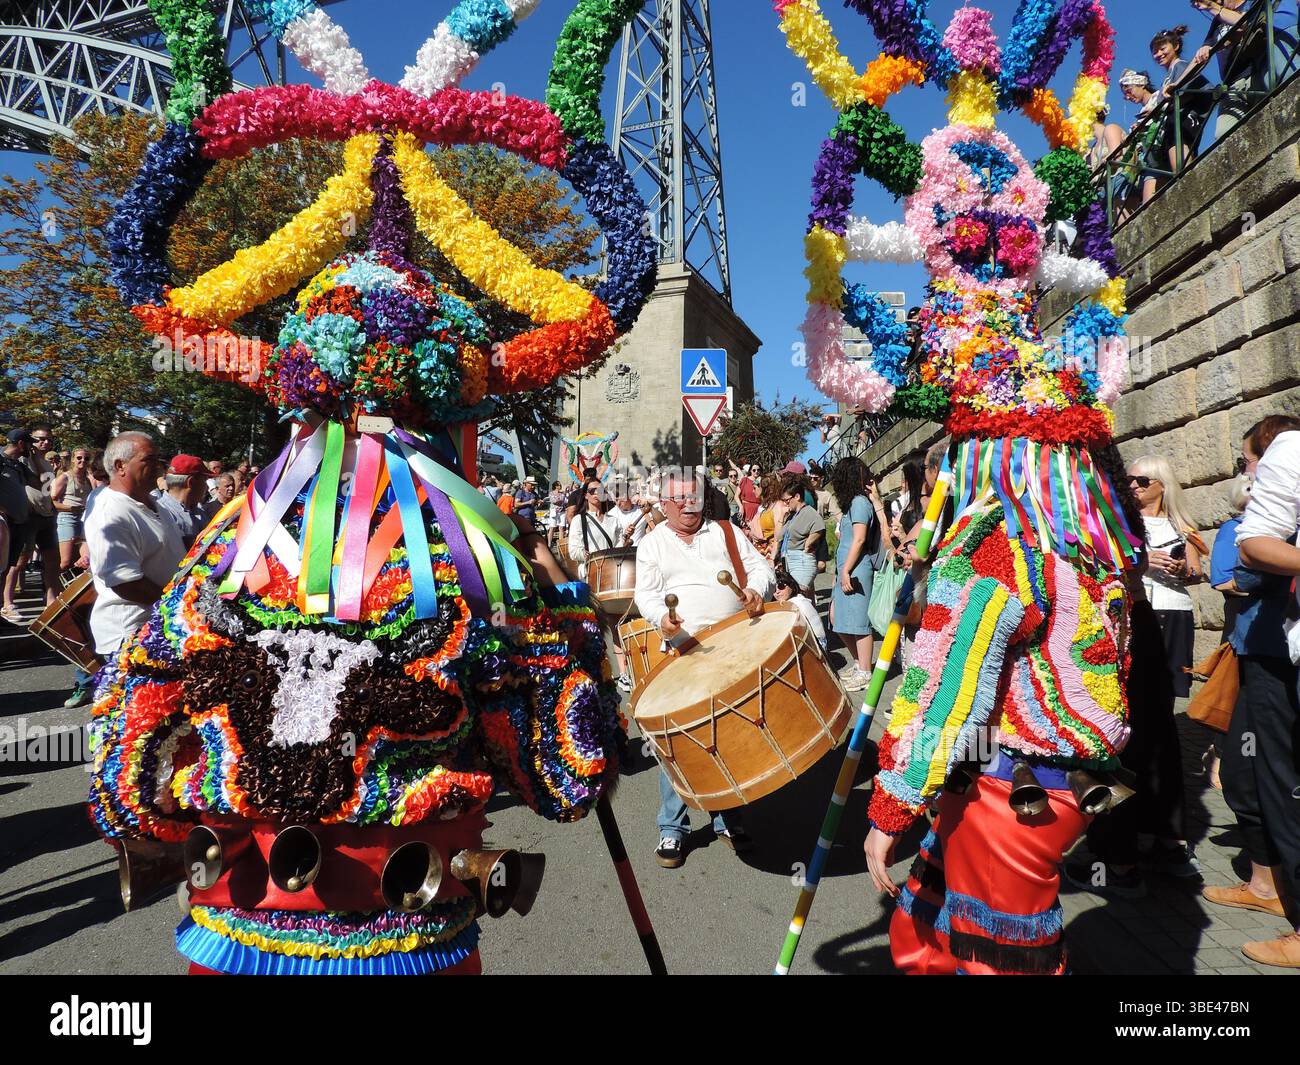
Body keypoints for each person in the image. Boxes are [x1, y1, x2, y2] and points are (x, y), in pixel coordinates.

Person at [635, 468, 775, 868]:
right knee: (679, 742)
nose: (687, 506)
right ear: (664, 504)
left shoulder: (726, 533)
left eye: (693, 498)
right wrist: (662, 618)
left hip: (735, 647)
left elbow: (761, 569)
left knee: (728, 736)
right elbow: (645, 595)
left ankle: (727, 819)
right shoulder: (652, 544)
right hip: (684, 654)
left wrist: (755, 590)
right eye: (677, 499)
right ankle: (672, 829)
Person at [1203, 414, 1300, 967]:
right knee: (1251, 775)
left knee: (1277, 776)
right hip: (1260, 649)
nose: (1245, 471)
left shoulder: (1284, 475)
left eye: (1248, 460)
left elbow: (1251, 564)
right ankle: (1266, 884)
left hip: (1275, 648)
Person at [83, 432, 186, 663]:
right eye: (149, 460)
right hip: (132, 635)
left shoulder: (152, 502)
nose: (159, 467)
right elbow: (125, 583)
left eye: (159, 460)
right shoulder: (110, 512)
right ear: (120, 466)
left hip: (160, 625)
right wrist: (177, 603)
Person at [1128, 455, 1206, 697]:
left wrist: (1182, 570)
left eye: (1141, 480)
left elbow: (1197, 573)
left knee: (1171, 684)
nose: (1133, 486)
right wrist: (1144, 562)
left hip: (1176, 610)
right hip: (1139, 607)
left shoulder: (1182, 525)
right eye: (1128, 479)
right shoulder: (1125, 523)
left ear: (1162, 484)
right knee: (1136, 681)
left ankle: (1166, 732)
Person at [1193, 0, 1300, 139]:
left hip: (1281, 30)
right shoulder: (1216, 21)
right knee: (1224, 134)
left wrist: (1212, 7)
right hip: (1254, 64)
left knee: (1289, 82)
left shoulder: (1246, 4)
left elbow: (1246, 23)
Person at [829, 457, 885, 693]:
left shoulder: (860, 502)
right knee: (837, 619)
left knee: (859, 623)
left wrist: (846, 570)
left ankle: (865, 671)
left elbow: (860, 539)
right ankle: (859, 663)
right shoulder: (854, 503)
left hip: (855, 569)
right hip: (846, 568)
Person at [1150, 26, 1214, 177]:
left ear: (1176, 46)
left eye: (1162, 49)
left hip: (1184, 118)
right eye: (1154, 51)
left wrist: (1171, 104)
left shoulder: (1181, 65)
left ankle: (1185, 181)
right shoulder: (1171, 72)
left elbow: (1193, 90)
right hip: (1178, 119)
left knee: (1180, 154)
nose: (1158, 54)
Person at [0, 432, 31, 627]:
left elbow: (40, 481)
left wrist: (35, 457)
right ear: (20, 443)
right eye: (29, 444)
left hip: (19, 522)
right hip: (3, 523)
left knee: (5, 569)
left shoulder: (18, 465)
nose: (31, 447)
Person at [777, 472, 824, 597]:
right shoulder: (792, 516)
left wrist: (808, 543)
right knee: (797, 599)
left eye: (787, 500)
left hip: (801, 561)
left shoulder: (808, 511)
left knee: (799, 598)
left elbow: (820, 526)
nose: (786, 504)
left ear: (797, 496)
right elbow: (779, 536)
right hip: (789, 560)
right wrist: (782, 516)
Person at [154, 454, 212, 550]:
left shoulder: (199, 511)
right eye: (205, 480)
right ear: (191, 482)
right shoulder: (162, 513)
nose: (207, 487)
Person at [50, 447, 92, 571]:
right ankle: (52, 585)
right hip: (67, 519)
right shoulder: (65, 477)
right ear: (73, 459)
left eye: (86, 458)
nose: (82, 460)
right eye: (79, 458)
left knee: (82, 560)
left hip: (84, 519)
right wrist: (70, 508)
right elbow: (51, 501)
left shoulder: (88, 479)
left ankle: (69, 589)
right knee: (65, 561)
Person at [774, 570, 827, 651]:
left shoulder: (797, 602)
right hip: (813, 641)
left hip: (817, 645)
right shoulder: (797, 599)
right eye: (774, 590)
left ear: (791, 586)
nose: (777, 592)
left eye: (781, 586)